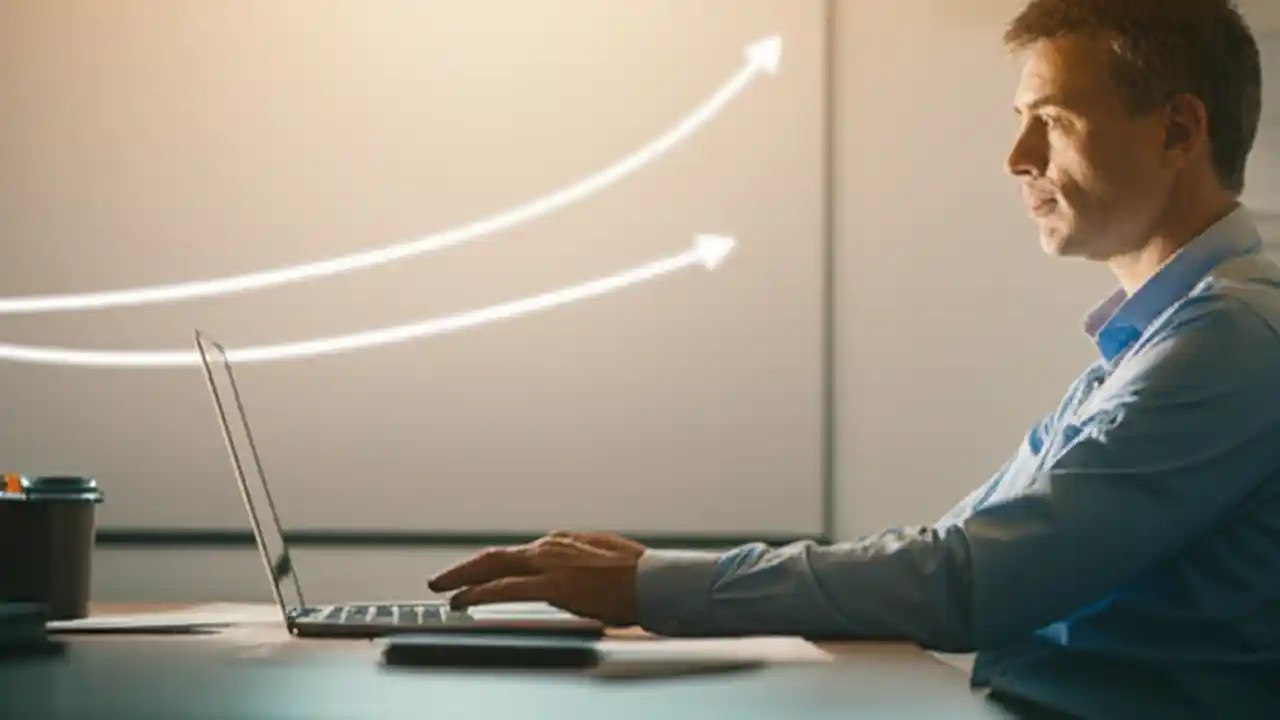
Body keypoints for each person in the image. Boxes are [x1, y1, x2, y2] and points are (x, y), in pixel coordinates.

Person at [431, 0, 1280, 715]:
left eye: (1052, 121)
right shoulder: (1160, 337)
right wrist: (658, 588)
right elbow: (948, 549)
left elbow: (966, 583)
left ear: (1177, 131)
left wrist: (652, 586)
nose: (1017, 158)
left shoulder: (1228, 343)